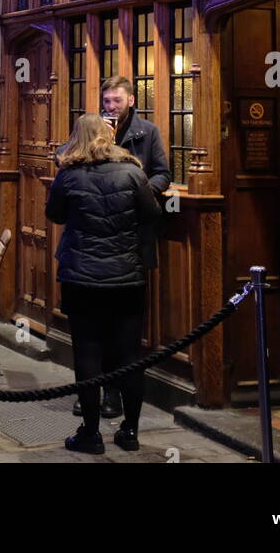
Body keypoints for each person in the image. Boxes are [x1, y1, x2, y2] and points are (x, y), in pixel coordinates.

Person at [46, 113, 162, 455]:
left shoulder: (67, 174)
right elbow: (152, 214)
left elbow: (55, 215)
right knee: (129, 354)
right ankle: (130, 431)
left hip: (81, 277)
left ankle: (91, 433)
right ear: (108, 137)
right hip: (126, 276)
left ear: (76, 138)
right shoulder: (132, 171)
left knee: (88, 353)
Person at [100, 76, 172, 193]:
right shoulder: (92, 128)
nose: (111, 107)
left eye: (117, 100)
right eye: (106, 101)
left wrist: (140, 193)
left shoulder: (149, 131)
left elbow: (163, 175)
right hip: (100, 204)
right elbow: (63, 155)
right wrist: (94, 136)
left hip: (134, 205)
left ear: (131, 101)